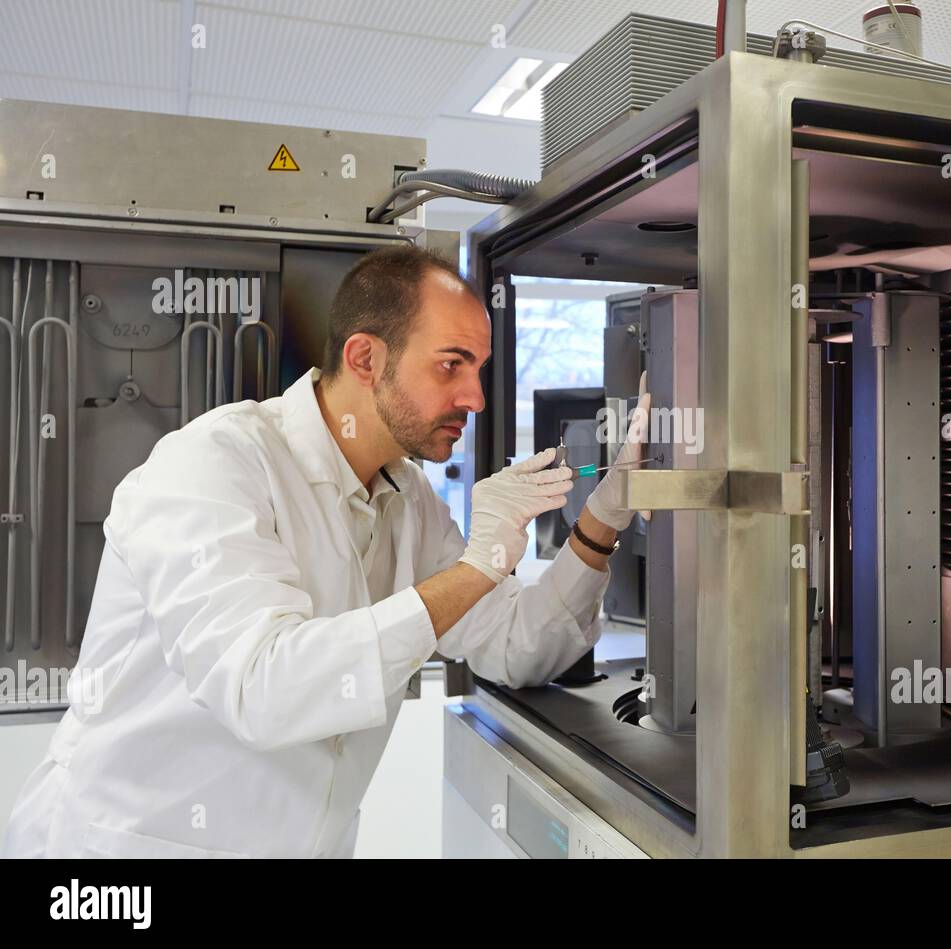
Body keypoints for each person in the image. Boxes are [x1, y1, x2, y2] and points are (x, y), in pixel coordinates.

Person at [1, 245, 649, 858]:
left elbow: (515, 645)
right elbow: (264, 686)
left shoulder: (407, 498)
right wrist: (477, 566)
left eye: (478, 369)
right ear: (366, 358)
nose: (475, 398)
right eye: (452, 365)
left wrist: (602, 518)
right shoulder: (213, 466)